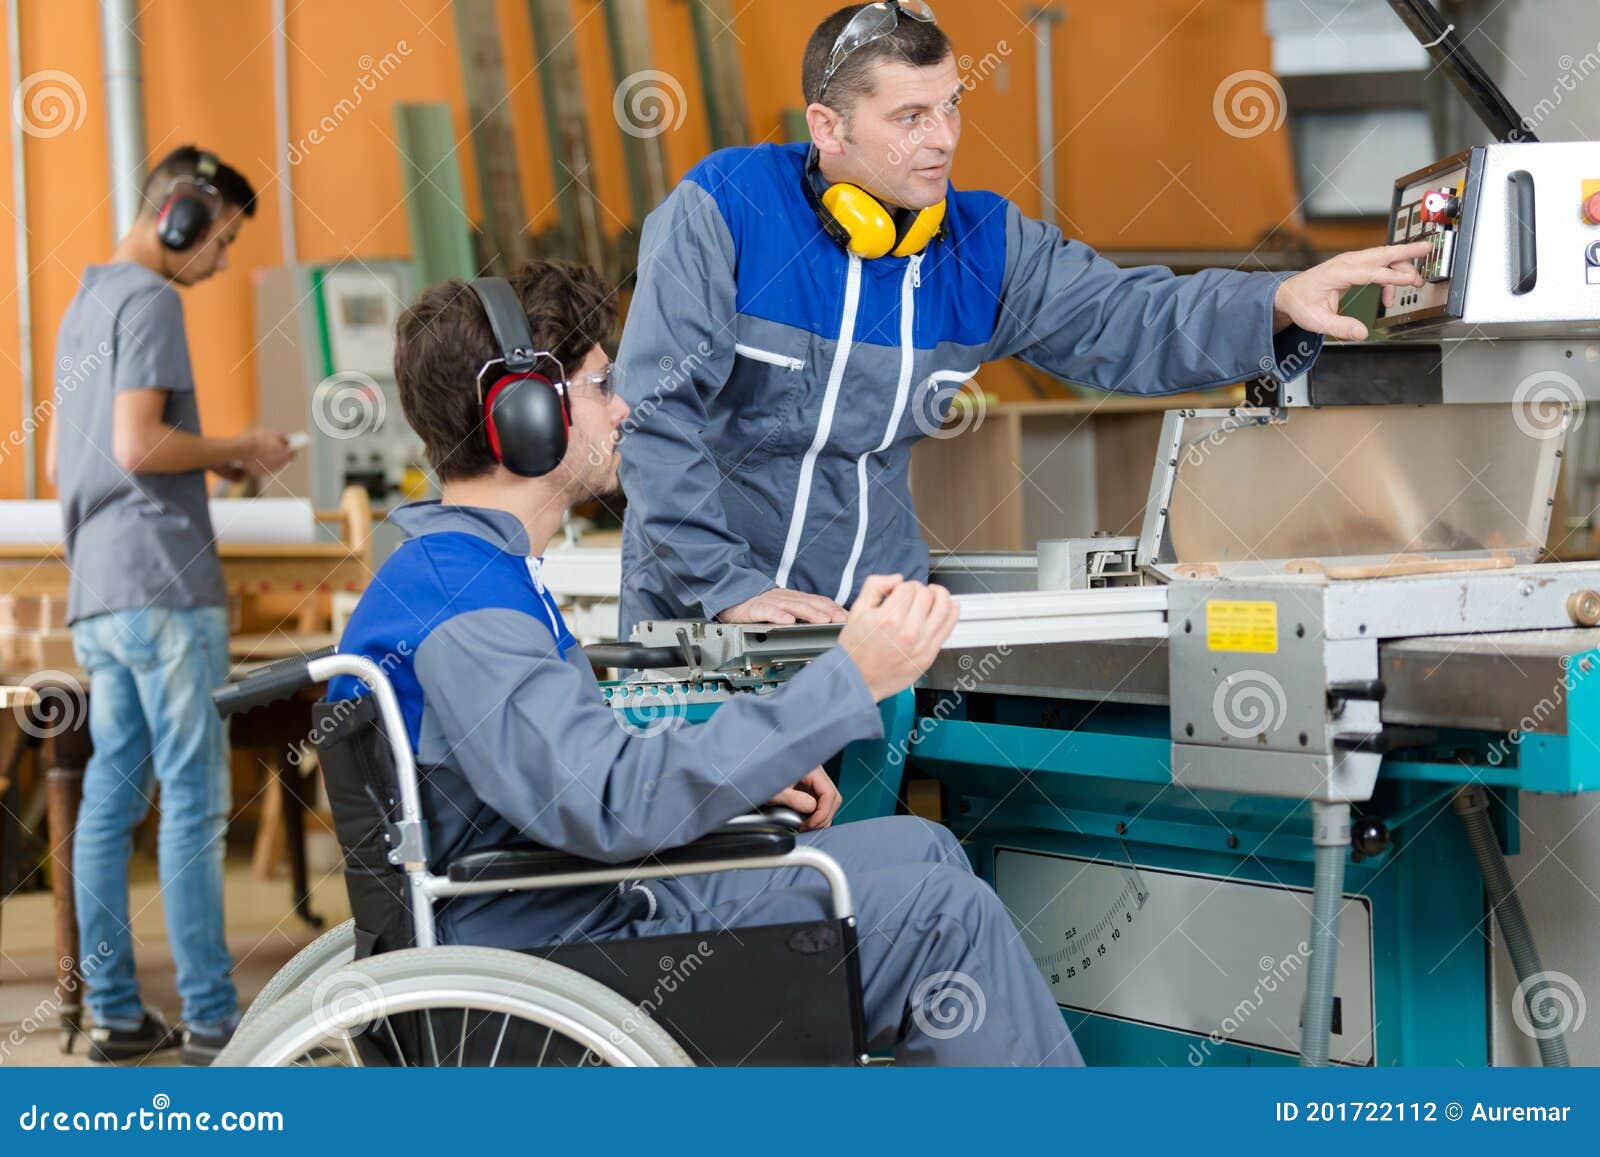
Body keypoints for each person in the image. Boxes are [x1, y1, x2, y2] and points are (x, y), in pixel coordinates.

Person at [331, 259, 1084, 1065]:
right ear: (525, 417)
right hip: (565, 963)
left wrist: (741, 778)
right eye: (599, 384)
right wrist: (847, 680)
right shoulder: (464, 599)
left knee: (921, 849)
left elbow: (572, 772)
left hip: (575, 913)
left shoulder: (465, 571)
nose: (622, 406)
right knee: (942, 912)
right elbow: (608, 799)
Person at [614, 1, 1432, 635]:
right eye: (910, 118)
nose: (943, 140)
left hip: (864, 641)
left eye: (951, 107)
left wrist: (1275, 300)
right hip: (705, 637)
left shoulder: (982, 243)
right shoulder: (724, 212)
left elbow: (1129, 318)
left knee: (868, 849)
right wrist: (730, 593)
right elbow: (653, 420)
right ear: (827, 127)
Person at [47, 145, 294, 1065]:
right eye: (221, 240)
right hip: (161, 581)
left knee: (111, 797)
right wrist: (239, 448)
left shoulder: (84, 305)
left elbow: (70, 461)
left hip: (100, 590)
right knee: (193, 800)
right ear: (180, 217)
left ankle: (114, 1011)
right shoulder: (150, 300)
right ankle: (213, 1020)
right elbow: (139, 441)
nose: (222, 261)